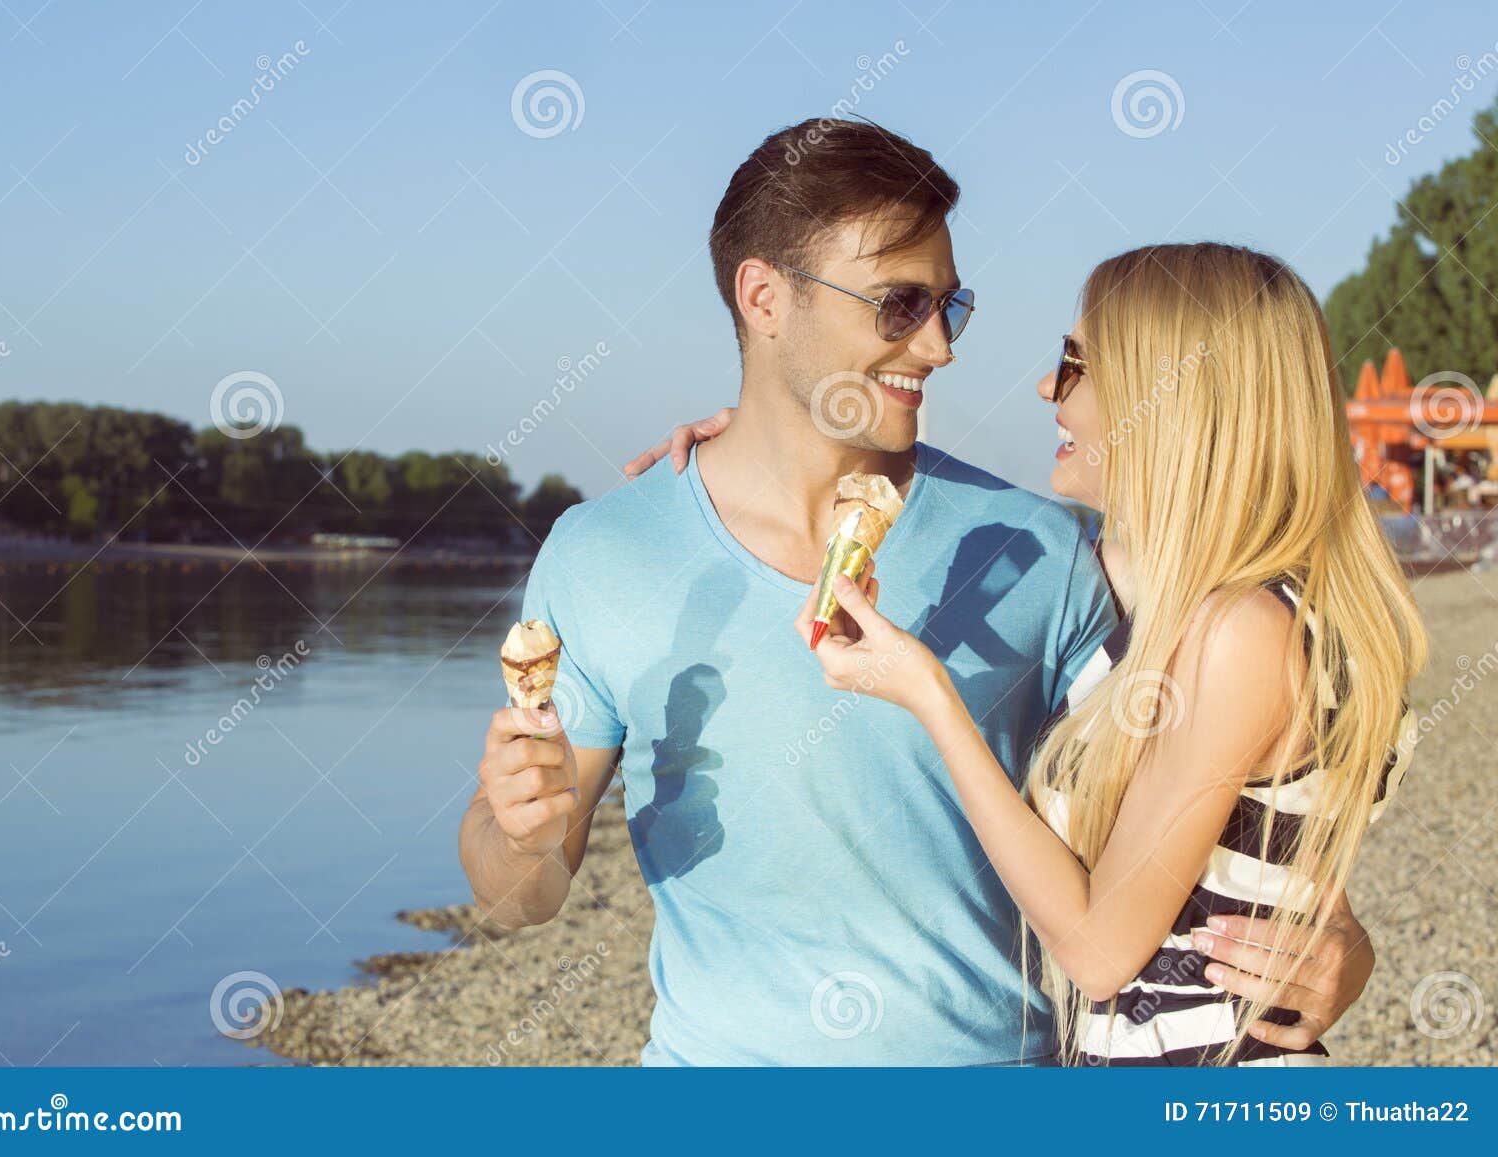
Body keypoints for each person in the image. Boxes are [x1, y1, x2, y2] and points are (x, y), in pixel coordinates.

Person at [462, 118, 1378, 1065]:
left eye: (950, 306)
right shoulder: (603, 551)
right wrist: (517, 834)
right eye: (899, 305)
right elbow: (522, 895)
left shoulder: (1044, 549)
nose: (940, 347)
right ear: (764, 297)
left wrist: (1334, 940)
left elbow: (1223, 795)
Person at [635, 240, 1424, 1065]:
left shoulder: (1243, 634)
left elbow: (1096, 950)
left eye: (1076, 363)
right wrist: (770, 439)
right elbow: (1269, 860)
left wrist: (930, 698)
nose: (1048, 387)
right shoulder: (1162, 594)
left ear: (1172, 400)